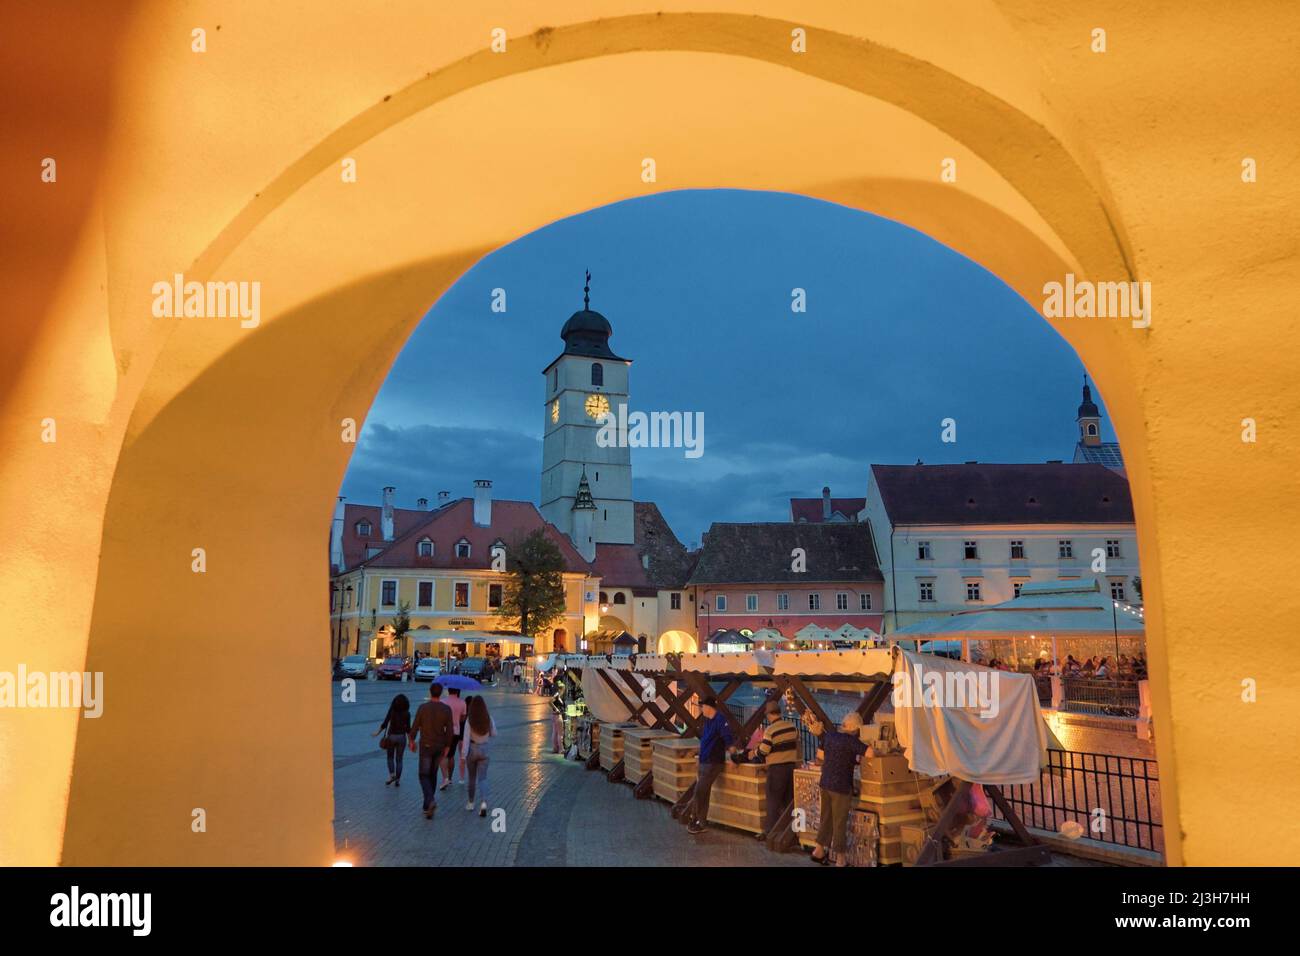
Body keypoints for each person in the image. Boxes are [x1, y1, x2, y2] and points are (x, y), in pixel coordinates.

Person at [807, 711, 869, 866]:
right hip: (841, 786)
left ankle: (819, 851)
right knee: (839, 822)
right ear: (856, 729)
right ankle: (841, 859)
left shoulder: (830, 736)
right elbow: (871, 753)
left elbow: (820, 756)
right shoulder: (852, 741)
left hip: (826, 782)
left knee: (825, 818)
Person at [749, 699, 798, 838]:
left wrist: (754, 752)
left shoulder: (770, 730)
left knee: (773, 801)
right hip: (791, 767)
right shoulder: (792, 726)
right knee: (789, 801)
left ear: (770, 714)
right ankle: (789, 832)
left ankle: (770, 832)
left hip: (777, 769)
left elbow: (764, 751)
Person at [687, 695, 735, 835]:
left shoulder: (720, 720)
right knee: (704, 792)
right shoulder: (707, 721)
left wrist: (733, 756)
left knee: (699, 790)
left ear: (708, 707)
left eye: (702, 706)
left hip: (713, 762)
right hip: (704, 761)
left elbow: (728, 739)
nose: (701, 709)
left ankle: (693, 817)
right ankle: (700, 822)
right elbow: (705, 740)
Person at [408, 683, 454, 819]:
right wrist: (448, 746)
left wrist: (411, 740)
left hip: (426, 745)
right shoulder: (446, 709)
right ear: (440, 693)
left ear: (430, 692)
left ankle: (430, 800)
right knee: (432, 774)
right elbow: (450, 730)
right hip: (439, 746)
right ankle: (426, 805)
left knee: (423, 775)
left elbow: (415, 726)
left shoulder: (423, 708)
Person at [461, 695, 498, 817]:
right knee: (483, 778)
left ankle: (471, 803)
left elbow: (465, 739)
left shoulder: (469, 720)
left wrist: (463, 755)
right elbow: (494, 733)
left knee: (471, 778)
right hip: (484, 750)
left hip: (472, 749)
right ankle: (483, 803)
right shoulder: (488, 718)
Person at [372, 692, 410, 786]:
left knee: (390, 757)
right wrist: (411, 740)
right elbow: (408, 729)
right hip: (402, 737)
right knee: (399, 759)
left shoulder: (392, 711)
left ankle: (392, 775)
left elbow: (385, 723)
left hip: (391, 737)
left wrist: (377, 732)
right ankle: (397, 780)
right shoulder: (407, 714)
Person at [440, 687, 468, 789]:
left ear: (449, 690)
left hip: (444, 731)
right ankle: (450, 778)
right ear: (457, 691)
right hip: (456, 732)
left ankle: (445, 778)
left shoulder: (443, 702)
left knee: (443, 755)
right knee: (451, 756)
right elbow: (463, 718)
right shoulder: (462, 703)